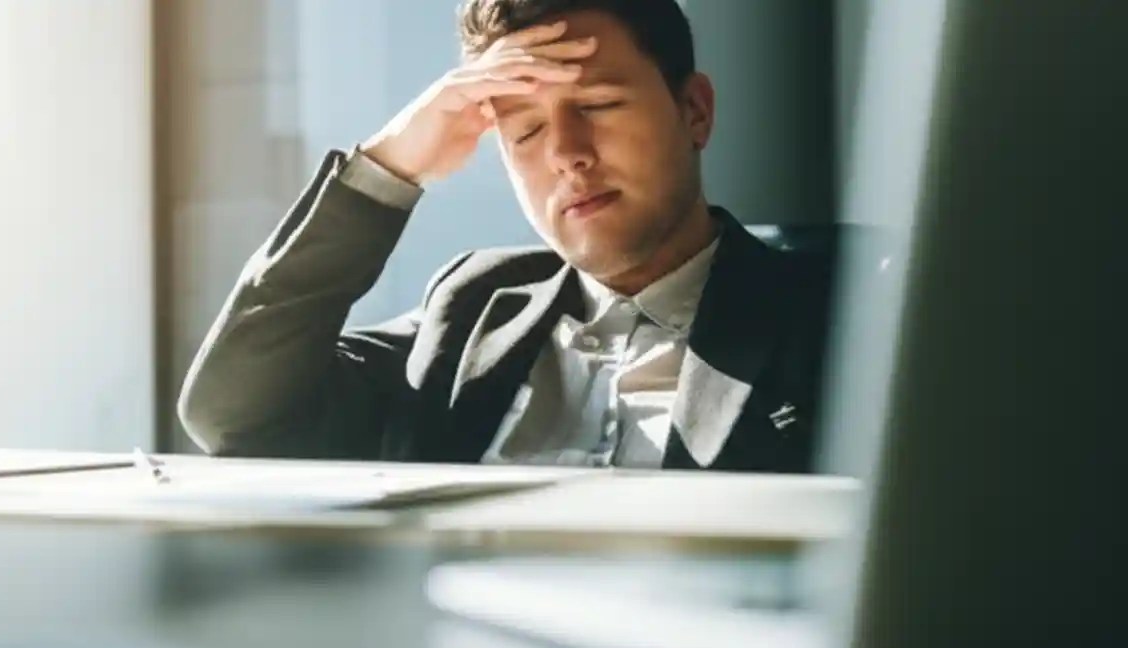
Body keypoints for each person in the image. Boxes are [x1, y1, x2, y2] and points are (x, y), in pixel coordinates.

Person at [178, 0, 833, 472]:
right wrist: (387, 168)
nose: (566, 154)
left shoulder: (839, 317)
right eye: (525, 131)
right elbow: (235, 414)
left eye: (598, 106)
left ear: (693, 111)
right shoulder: (472, 305)